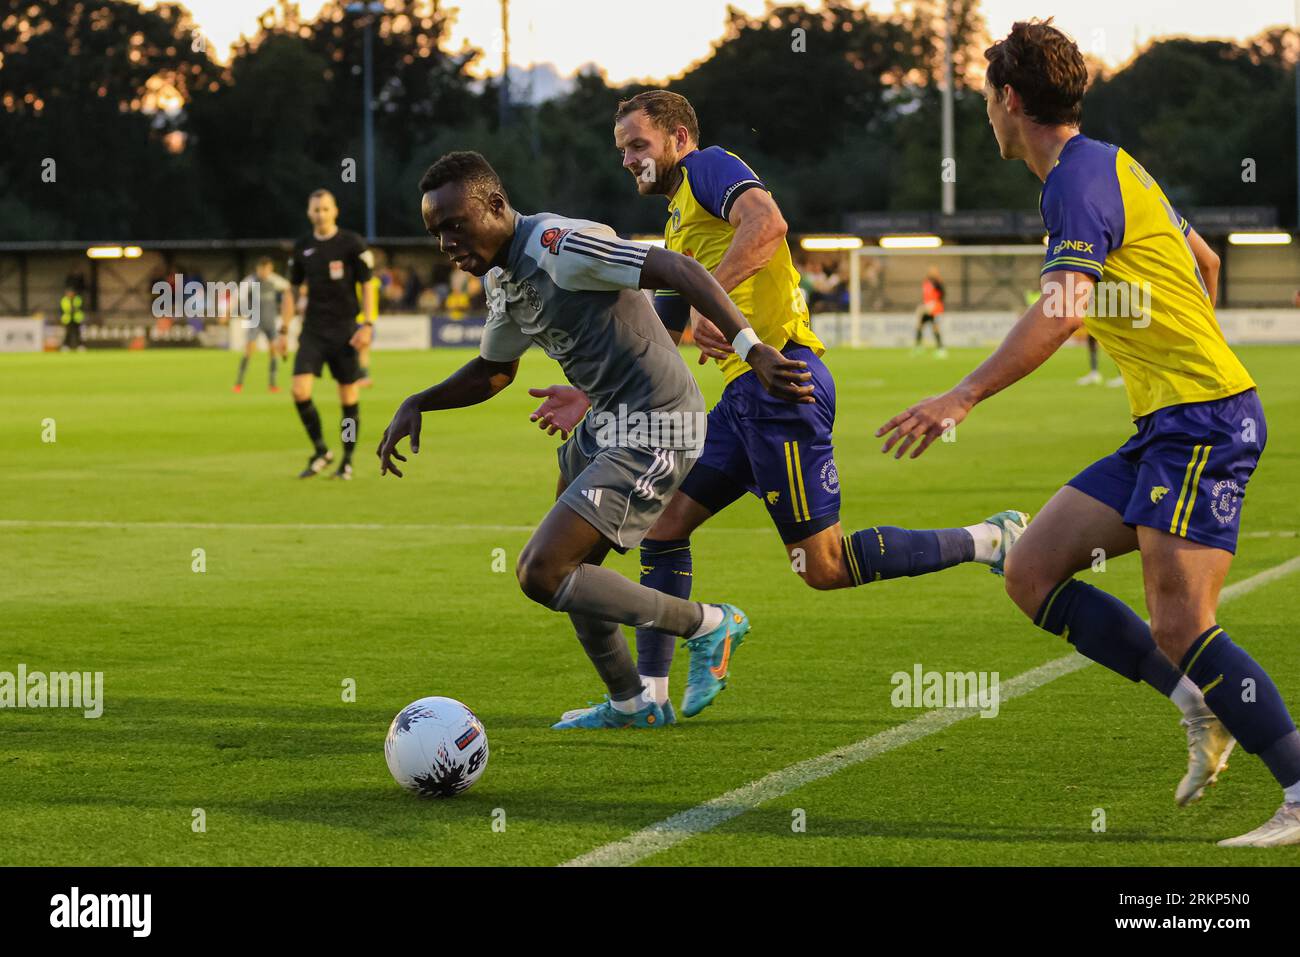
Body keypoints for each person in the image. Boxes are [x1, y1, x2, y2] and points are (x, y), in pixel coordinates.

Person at [876, 19, 1300, 847]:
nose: (989, 118)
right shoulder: (1111, 164)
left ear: (1008, 100)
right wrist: (1172, 349)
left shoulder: (1075, 180)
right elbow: (1203, 261)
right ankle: (1195, 705)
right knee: (1031, 569)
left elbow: (1067, 307)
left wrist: (962, 395)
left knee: (1183, 624)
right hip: (1169, 422)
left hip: (1203, 421)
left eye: (987, 102)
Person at [529, 90, 1029, 719]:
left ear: (679, 138)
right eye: (621, 148)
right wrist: (594, 390)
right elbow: (659, 326)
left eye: (639, 144)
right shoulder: (680, 221)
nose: (629, 159)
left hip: (783, 384)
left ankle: (989, 539)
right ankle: (647, 698)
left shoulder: (708, 166)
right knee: (663, 524)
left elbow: (767, 225)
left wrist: (718, 297)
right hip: (743, 399)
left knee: (822, 566)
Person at [375, 150, 813, 730]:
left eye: (457, 224)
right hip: (605, 423)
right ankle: (633, 703)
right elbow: (494, 372)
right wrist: (418, 401)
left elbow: (681, 271)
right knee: (574, 571)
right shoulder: (504, 278)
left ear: (498, 206)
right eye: (437, 233)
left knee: (541, 571)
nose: (447, 243)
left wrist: (751, 349)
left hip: (658, 422)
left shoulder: (563, 246)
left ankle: (709, 624)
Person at [281, 189, 375, 480]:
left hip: (345, 329)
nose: (320, 214)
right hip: (313, 330)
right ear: (309, 213)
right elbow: (292, 290)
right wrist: (283, 330)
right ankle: (321, 450)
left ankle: (346, 461)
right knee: (299, 390)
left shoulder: (352, 244)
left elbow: (368, 285)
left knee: (347, 396)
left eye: (325, 209)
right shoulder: (303, 247)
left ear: (335, 211)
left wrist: (368, 325)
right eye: (315, 209)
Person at [233, 256, 288, 393]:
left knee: (273, 351)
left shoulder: (275, 280)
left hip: (270, 321)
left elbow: (288, 288)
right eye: (262, 269)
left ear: (271, 269)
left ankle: (273, 384)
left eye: (268, 269)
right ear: (257, 269)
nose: (265, 272)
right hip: (255, 321)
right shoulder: (250, 281)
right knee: (249, 350)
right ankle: (239, 383)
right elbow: (238, 296)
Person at [913, 266, 947, 358]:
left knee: (935, 328)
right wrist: (923, 306)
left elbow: (942, 296)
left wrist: (933, 305)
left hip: (935, 309)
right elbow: (926, 296)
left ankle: (941, 349)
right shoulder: (926, 282)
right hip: (927, 309)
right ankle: (918, 347)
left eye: (934, 271)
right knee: (919, 325)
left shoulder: (938, 283)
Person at [59, 285, 85, 352]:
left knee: (78, 333)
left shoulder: (77, 299)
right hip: (68, 319)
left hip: (76, 318)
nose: (70, 294)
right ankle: (65, 346)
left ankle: (80, 346)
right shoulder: (64, 300)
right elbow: (63, 309)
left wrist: (73, 309)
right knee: (68, 333)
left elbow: (79, 307)